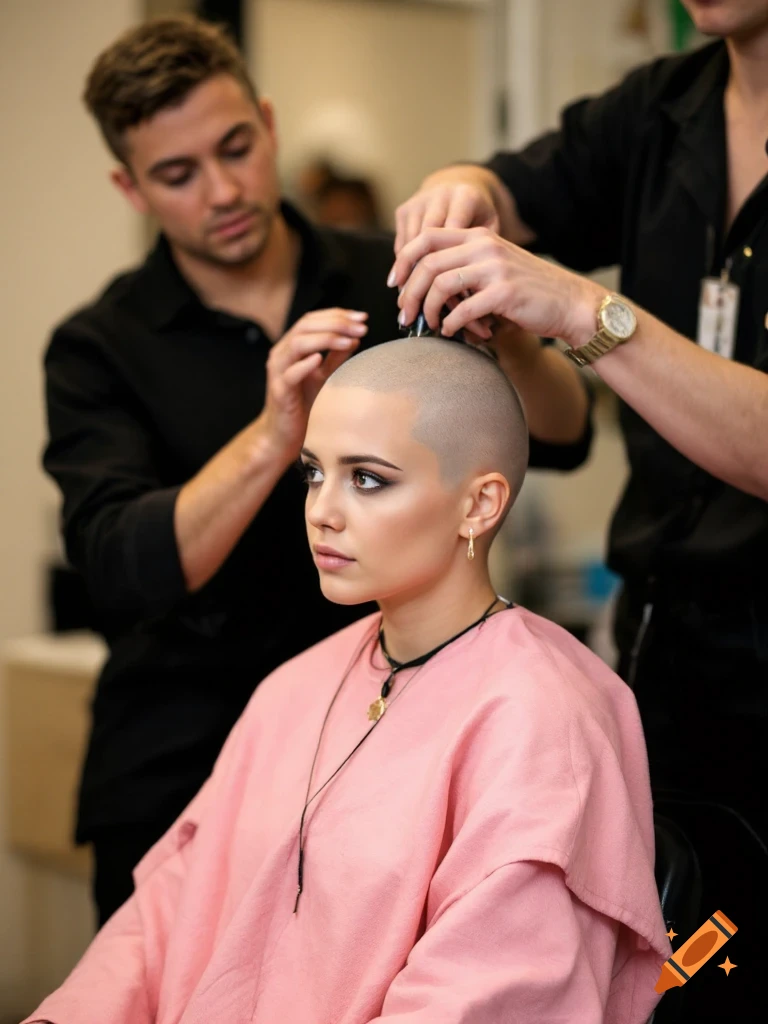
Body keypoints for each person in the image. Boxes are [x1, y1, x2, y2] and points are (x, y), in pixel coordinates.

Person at [46, 15, 594, 928]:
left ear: (267, 123)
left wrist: (519, 344)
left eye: (236, 148)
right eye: (179, 175)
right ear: (129, 186)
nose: (223, 190)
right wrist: (272, 434)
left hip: (386, 742)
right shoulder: (98, 347)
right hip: (180, 756)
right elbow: (122, 565)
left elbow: (565, 440)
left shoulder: (389, 272)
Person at [23, 338, 669, 1024]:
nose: (322, 510)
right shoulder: (294, 687)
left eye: (367, 478)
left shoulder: (542, 719)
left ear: (478, 505)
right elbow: (160, 919)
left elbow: (485, 994)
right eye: (312, 474)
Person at [389, 2, 768, 1017]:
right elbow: (502, 184)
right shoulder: (660, 110)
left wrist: (579, 310)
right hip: (666, 678)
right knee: (677, 982)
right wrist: (456, 195)